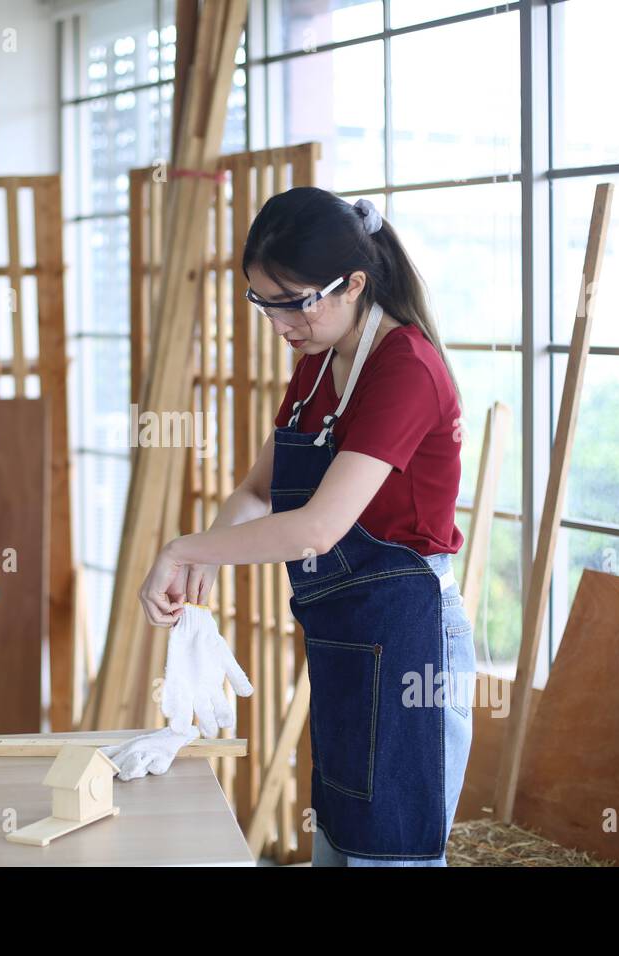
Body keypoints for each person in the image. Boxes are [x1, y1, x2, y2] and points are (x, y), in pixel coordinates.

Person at [138, 186, 474, 866]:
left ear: (352, 284)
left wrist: (182, 547)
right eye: (263, 301)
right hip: (348, 642)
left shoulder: (404, 368)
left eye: (293, 302)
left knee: (392, 852)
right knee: (339, 844)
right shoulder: (319, 363)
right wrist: (202, 562)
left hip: (411, 643)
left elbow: (318, 528)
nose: (278, 322)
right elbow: (260, 492)